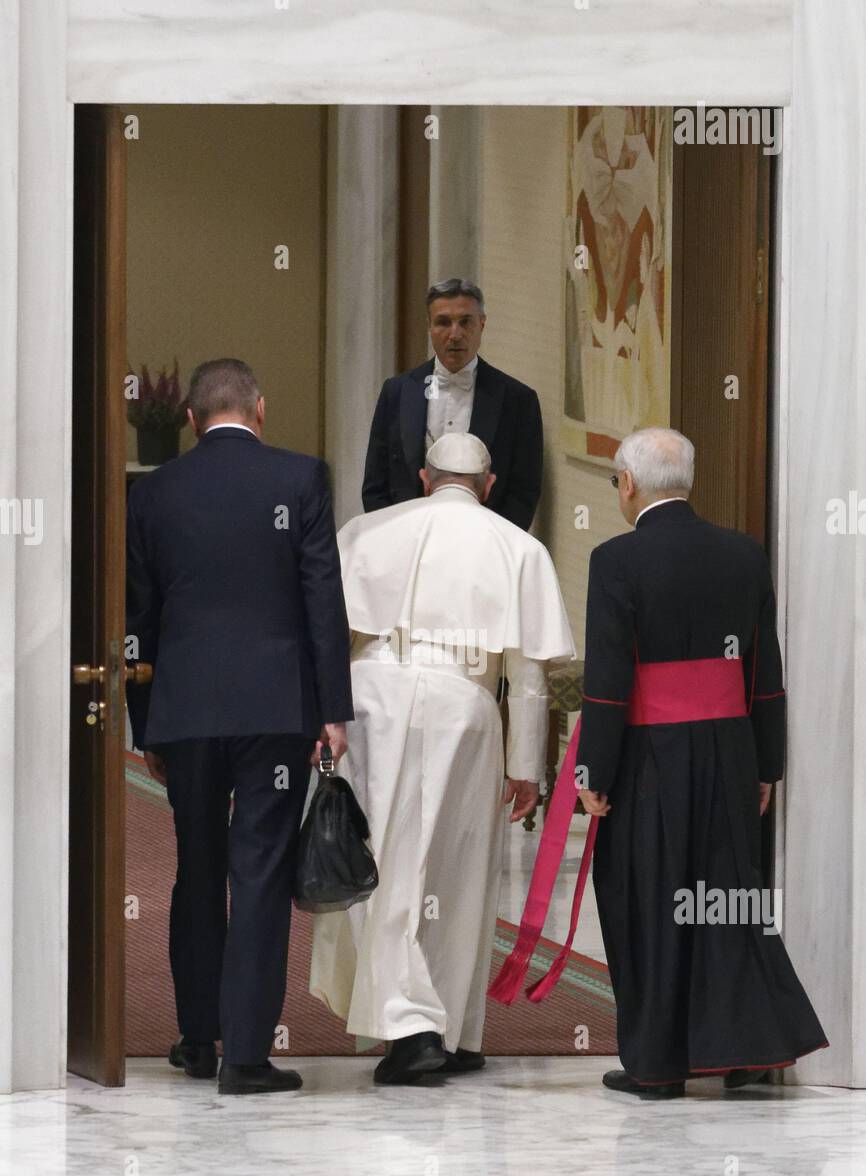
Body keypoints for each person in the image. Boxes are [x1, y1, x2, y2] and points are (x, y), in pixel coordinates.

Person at [310, 432, 574, 1083]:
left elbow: (325, 630)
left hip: (374, 695)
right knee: (456, 871)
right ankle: (437, 1028)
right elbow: (531, 676)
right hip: (465, 700)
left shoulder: (369, 529)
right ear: (488, 484)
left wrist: (322, 714)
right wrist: (525, 767)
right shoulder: (519, 548)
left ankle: (423, 1028)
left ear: (426, 478)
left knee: (380, 861)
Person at [576, 426, 827, 1098]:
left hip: (649, 759)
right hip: (728, 748)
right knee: (725, 901)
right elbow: (763, 672)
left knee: (648, 898)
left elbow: (605, 682)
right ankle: (744, 1053)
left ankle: (655, 1064)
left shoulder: (616, 561)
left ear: (626, 485)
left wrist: (592, 775)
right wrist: (765, 765)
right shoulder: (744, 555)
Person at [126, 358, 353, 1096]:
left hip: (186, 710)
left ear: (190, 419)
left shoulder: (153, 491)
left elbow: (140, 618)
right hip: (274, 708)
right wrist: (332, 710)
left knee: (197, 867)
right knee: (258, 870)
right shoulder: (300, 479)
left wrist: (145, 726)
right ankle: (247, 1055)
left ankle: (196, 1036)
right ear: (261, 408)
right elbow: (323, 600)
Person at [361, 277, 543, 530]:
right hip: (405, 542)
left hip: (484, 546)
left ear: (482, 324)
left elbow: (524, 492)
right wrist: (394, 538)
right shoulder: (397, 391)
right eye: (443, 322)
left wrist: (495, 544)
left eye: (465, 322)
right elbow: (375, 484)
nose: (455, 334)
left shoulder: (518, 400)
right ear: (429, 326)